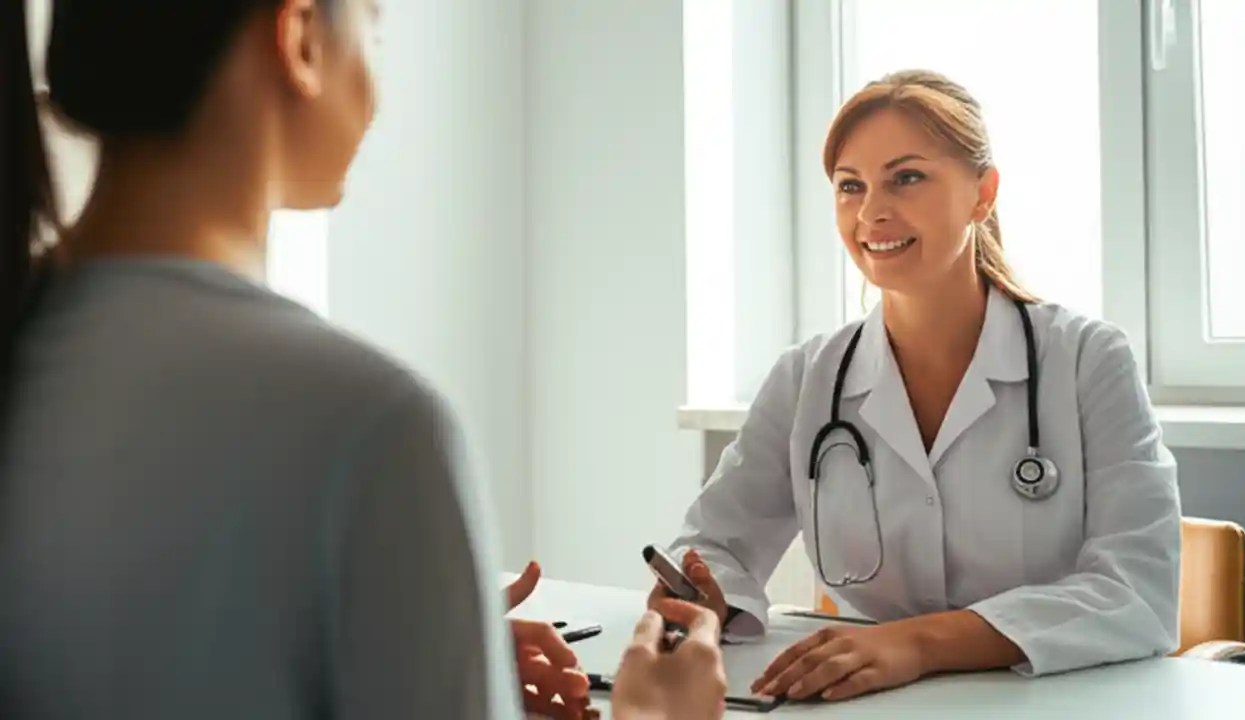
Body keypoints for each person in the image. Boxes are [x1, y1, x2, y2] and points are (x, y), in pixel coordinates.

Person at [1, 1, 724, 718]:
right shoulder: (371, 424)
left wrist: (414, 649)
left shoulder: (39, 351)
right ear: (302, 39)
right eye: (373, 28)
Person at [650, 69, 1182, 703]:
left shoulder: (1088, 360)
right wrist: (706, 598)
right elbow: (712, 543)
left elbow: (1136, 591)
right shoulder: (808, 378)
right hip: (872, 699)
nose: (872, 211)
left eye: (907, 178)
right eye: (851, 187)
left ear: (982, 194)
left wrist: (919, 643)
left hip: (1056, 698)